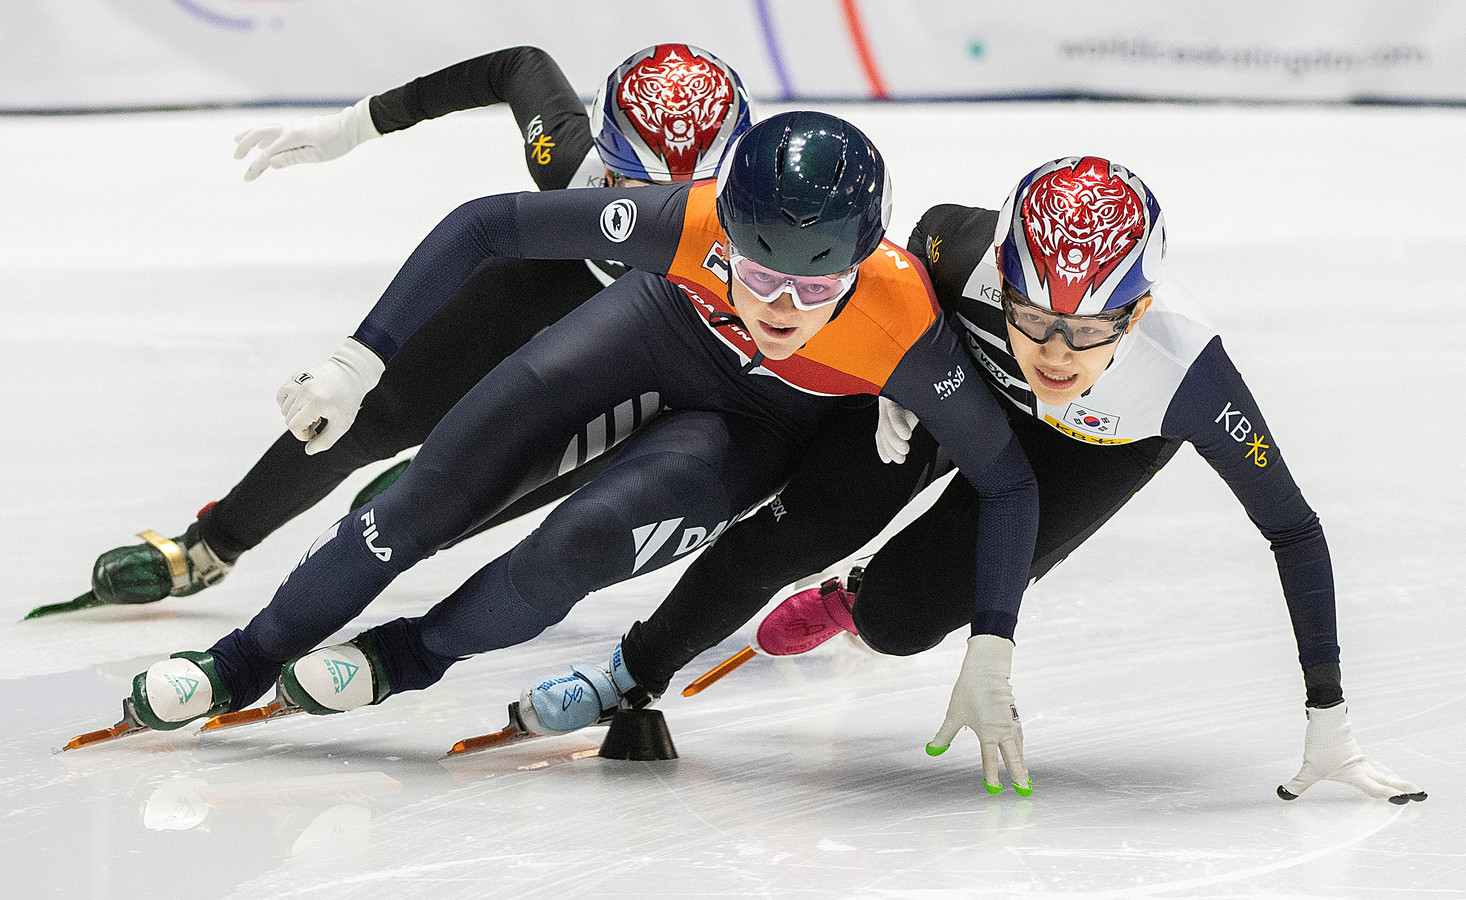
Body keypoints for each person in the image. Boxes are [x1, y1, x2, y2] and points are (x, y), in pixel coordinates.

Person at [107, 113, 1041, 794]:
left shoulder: (906, 329)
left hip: (761, 426)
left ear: (864, 260)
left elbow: (1004, 482)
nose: (783, 310)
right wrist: (362, 358)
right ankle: (238, 661)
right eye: (758, 276)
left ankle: (408, 656)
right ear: (727, 234)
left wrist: (992, 643)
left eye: (817, 286)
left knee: (581, 542)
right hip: (655, 328)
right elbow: (486, 223)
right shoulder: (689, 219)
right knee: (421, 500)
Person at [518, 155, 1424, 804]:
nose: (1055, 355)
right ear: (1004, 276)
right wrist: (904, 371)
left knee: (907, 620)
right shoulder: (965, 252)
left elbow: (1294, 530)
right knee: (801, 525)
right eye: (1032, 316)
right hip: (958, 390)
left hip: (1097, 447)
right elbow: (908, 252)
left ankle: (853, 602)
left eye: (1089, 331)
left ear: (1139, 310)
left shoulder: (1189, 377)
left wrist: (1327, 712)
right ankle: (629, 671)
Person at [54, 44, 752, 617]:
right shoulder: (570, 163)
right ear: (603, 158)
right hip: (546, 286)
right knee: (362, 423)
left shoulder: (766, 232)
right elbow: (514, 67)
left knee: (455, 499)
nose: (665, 218)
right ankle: (210, 545)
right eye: (641, 188)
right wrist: (355, 125)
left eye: (690, 198)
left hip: (648, 357)